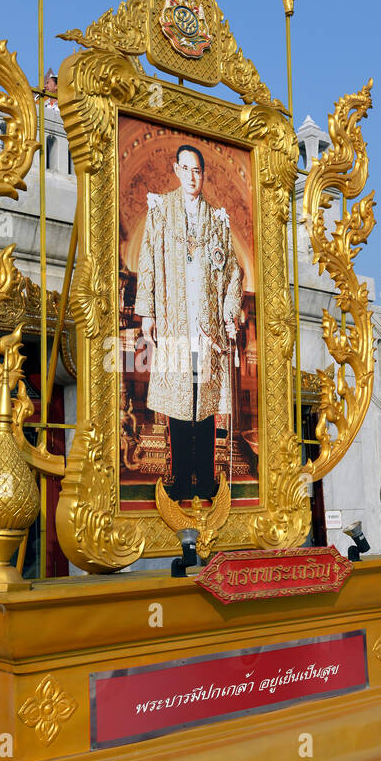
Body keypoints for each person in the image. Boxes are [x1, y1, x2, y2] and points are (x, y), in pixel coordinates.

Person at [134, 144, 242, 501]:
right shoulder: (160, 210)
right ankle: (181, 478)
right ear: (176, 170)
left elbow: (232, 274)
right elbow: (147, 260)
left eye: (198, 171)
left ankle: (205, 478)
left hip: (207, 327)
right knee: (182, 404)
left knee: (205, 404)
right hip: (174, 322)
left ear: (203, 175)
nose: (193, 177)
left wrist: (229, 317)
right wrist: (147, 313)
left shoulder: (217, 219)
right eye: (187, 169)